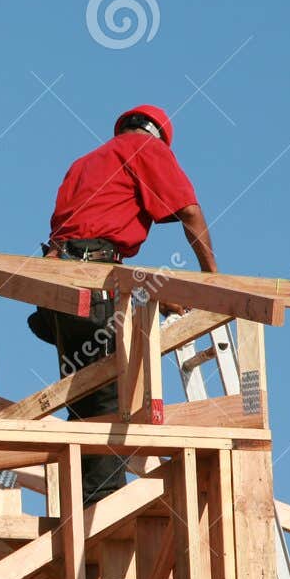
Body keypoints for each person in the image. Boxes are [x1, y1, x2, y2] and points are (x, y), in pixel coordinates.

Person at [27, 104, 218, 502]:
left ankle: (77, 508)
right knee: (112, 399)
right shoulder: (145, 149)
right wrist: (212, 281)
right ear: (158, 137)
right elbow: (190, 213)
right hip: (92, 285)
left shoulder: (86, 162)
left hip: (61, 287)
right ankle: (102, 511)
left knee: (83, 399)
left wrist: (157, 301)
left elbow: (88, 237)